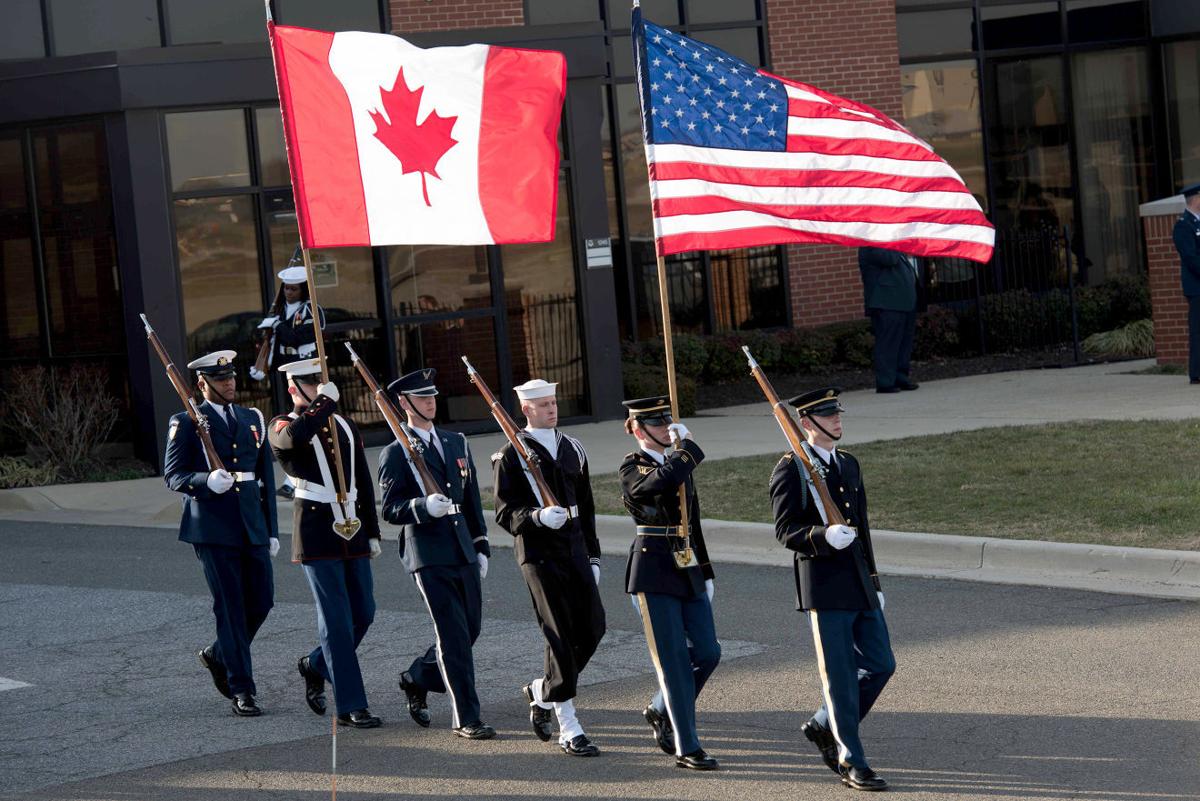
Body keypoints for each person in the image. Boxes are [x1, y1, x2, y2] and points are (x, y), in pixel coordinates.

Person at [768, 387, 894, 792]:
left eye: (837, 412)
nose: (837, 419)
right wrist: (823, 536)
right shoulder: (791, 468)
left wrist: (874, 580)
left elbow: (863, 527)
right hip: (823, 585)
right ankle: (851, 760)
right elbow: (785, 530)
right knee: (839, 677)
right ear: (806, 423)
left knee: (881, 664)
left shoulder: (849, 464)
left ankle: (825, 722)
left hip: (858, 579)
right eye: (827, 415)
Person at [378, 368, 495, 740]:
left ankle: (419, 676)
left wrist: (481, 545)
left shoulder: (455, 441)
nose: (430, 402)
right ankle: (466, 718)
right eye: (422, 397)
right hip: (427, 553)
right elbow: (390, 509)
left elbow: (471, 497)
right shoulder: (395, 452)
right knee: (453, 636)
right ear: (404, 402)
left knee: (470, 629)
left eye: (432, 396)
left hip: (462, 546)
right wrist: (422, 506)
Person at [493, 379, 606, 757]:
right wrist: (537, 517)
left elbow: (586, 508)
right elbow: (504, 513)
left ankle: (543, 690)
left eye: (553, 402)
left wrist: (593, 556)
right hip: (538, 554)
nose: (552, 409)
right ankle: (569, 727)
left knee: (593, 628)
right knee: (559, 634)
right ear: (526, 409)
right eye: (543, 405)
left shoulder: (574, 448)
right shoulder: (510, 454)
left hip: (573, 548)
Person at [162, 350, 278, 717]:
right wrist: (205, 481)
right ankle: (242, 688)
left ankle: (219, 653)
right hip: (212, 526)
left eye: (231, 377)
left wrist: (272, 529)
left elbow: (264, 478)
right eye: (220, 379)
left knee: (262, 600)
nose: (229, 383)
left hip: (251, 524)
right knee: (231, 608)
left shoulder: (252, 418)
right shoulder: (186, 421)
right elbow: (173, 475)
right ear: (202, 384)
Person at [268, 358, 382, 729]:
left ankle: (316, 664)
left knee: (363, 613)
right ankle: (351, 705)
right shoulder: (281, 425)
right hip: (317, 531)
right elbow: (293, 439)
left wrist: (373, 530)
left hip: (353, 528)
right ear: (293, 388)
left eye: (321, 382)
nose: (318, 387)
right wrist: (322, 405)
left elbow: (362, 478)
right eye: (310, 383)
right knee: (336, 621)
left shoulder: (344, 424)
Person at [619, 396, 720, 771]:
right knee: (675, 662)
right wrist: (686, 450)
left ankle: (661, 706)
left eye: (667, 421)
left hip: (687, 566)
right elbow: (653, 486)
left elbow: (693, 522)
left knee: (708, 652)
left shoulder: (680, 464)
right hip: (654, 570)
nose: (665, 427)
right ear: (637, 429)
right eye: (656, 423)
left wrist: (705, 571)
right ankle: (686, 746)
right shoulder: (633, 466)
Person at [249, 261, 326, 500]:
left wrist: (277, 326)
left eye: (294, 288)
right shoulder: (280, 312)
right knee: (288, 421)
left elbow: (295, 338)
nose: (289, 292)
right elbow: (275, 343)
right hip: (286, 371)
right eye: (286, 288)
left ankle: (298, 478)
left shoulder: (311, 310)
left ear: (303, 289)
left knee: (307, 420)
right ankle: (292, 478)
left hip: (305, 370)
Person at [858, 246, 921, 394]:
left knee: (904, 343)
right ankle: (885, 381)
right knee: (888, 343)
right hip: (886, 302)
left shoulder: (890, 242)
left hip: (903, 301)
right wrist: (897, 242)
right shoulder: (872, 242)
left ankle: (901, 377)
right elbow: (889, 259)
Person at [1174, 183, 1200, 384]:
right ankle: (1196, 373)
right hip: (1196, 287)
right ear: (1196, 199)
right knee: (1198, 330)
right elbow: (1190, 258)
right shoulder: (1184, 225)